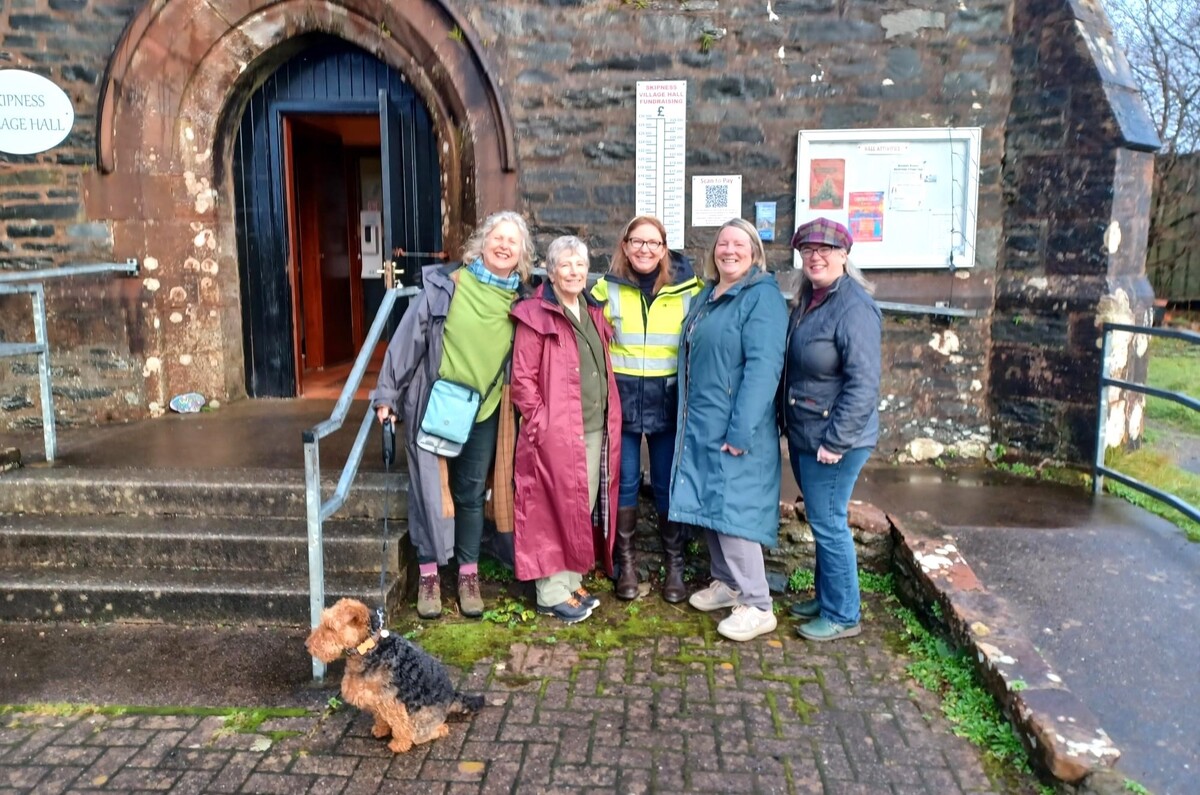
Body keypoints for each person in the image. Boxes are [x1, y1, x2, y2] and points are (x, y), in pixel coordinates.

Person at [371, 211, 534, 620]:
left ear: (522, 254)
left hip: (485, 409)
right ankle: (428, 575)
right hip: (433, 405)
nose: (503, 245)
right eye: (497, 236)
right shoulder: (448, 286)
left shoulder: (523, 302)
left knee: (471, 493)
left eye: (512, 241)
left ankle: (467, 573)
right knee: (428, 490)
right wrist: (386, 395)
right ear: (482, 243)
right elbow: (408, 340)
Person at [670, 218, 788, 642]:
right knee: (711, 506)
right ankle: (728, 583)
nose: (729, 250)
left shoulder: (762, 299)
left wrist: (741, 431)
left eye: (740, 244)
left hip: (737, 426)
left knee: (734, 512)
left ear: (755, 252)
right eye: (723, 244)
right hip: (703, 419)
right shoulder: (709, 295)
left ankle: (757, 603)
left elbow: (763, 370)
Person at [510, 236, 621, 623]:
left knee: (580, 505)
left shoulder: (590, 310)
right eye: (566, 265)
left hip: (591, 430)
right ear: (551, 271)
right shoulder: (535, 314)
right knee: (551, 508)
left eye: (580, 265)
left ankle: (570, 580)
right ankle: (550, 591)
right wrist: (542, 424)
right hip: (556, 434)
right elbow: (522, 381)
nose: (574, 272)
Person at [591, 216, 702, 602]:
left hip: (668, 401)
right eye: (637, 241)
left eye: (654, 243)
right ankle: (626, 564)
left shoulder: (689, 290)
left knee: (667, 484)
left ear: (664, 248)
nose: (645, 249)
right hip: (620, 402)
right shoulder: (605, 290)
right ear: (624, 245)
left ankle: (674, 566)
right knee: (623, 484)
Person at [781, 218, 881, 642]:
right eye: (807, 251)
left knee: (828, 522)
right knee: (823, 518)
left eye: (825, 250)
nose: (815, 257)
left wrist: (836, 442)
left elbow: (864, 383)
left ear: (844, 255)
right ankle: (827, 597)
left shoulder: (854, 306)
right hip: (807, 432)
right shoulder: (811, 298)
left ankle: (843, 614)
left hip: (834, 439)